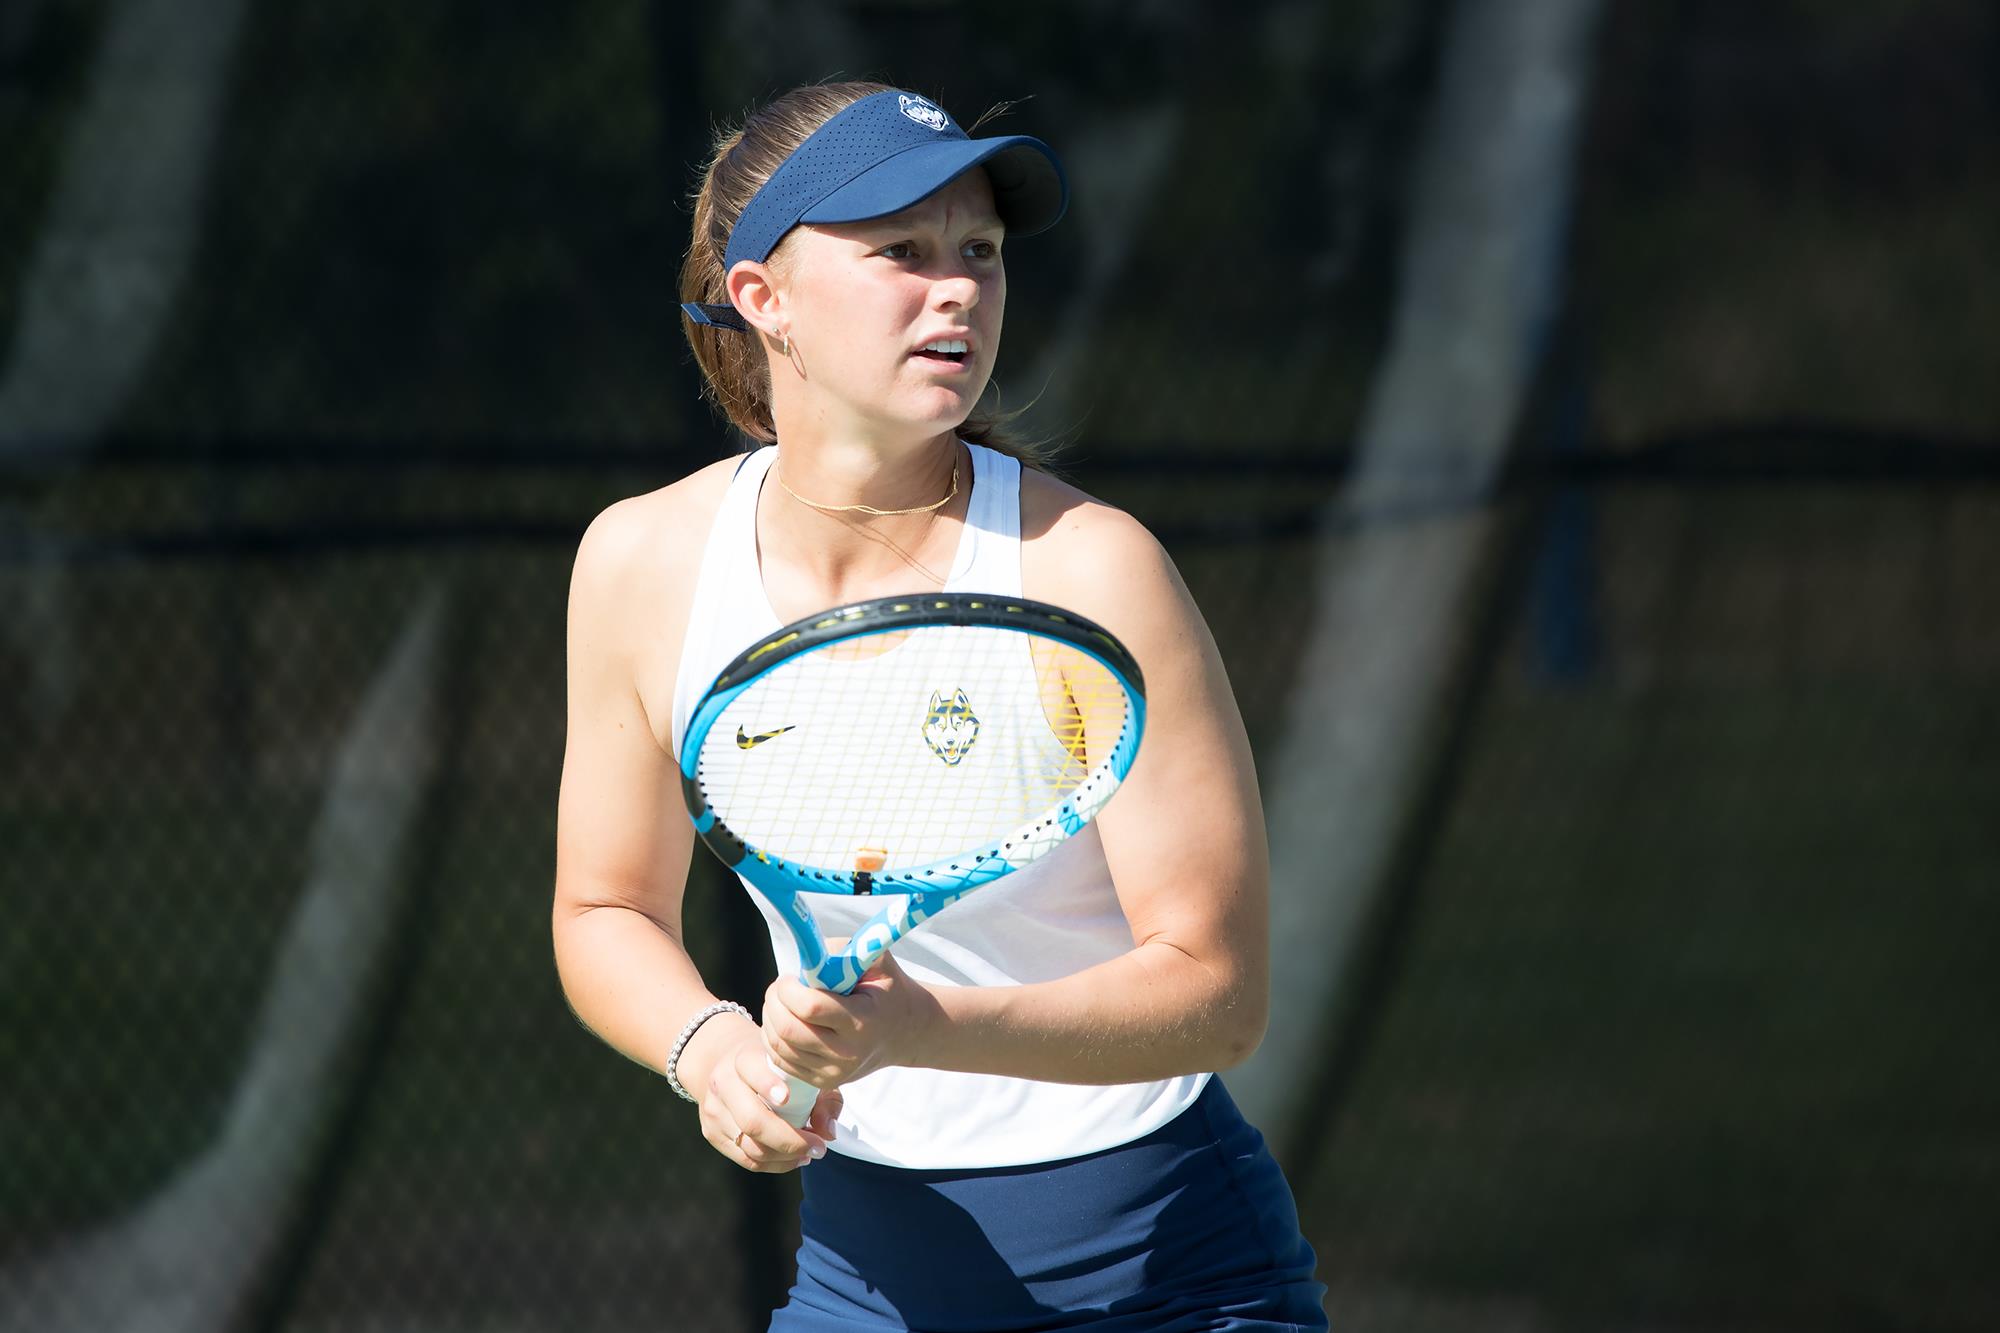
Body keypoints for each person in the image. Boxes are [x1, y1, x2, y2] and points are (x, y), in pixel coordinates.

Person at [552, 81, 1327, 1331]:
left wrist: (921, 1024)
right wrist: (710, 1048)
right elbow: (603, 908)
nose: (956, 288)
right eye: (901, 252)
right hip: (867, 1275)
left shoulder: (1091, 569)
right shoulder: (641, 564)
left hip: (1167, 1278)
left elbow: (1217, 994)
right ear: (762, 297)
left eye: (979, 250)